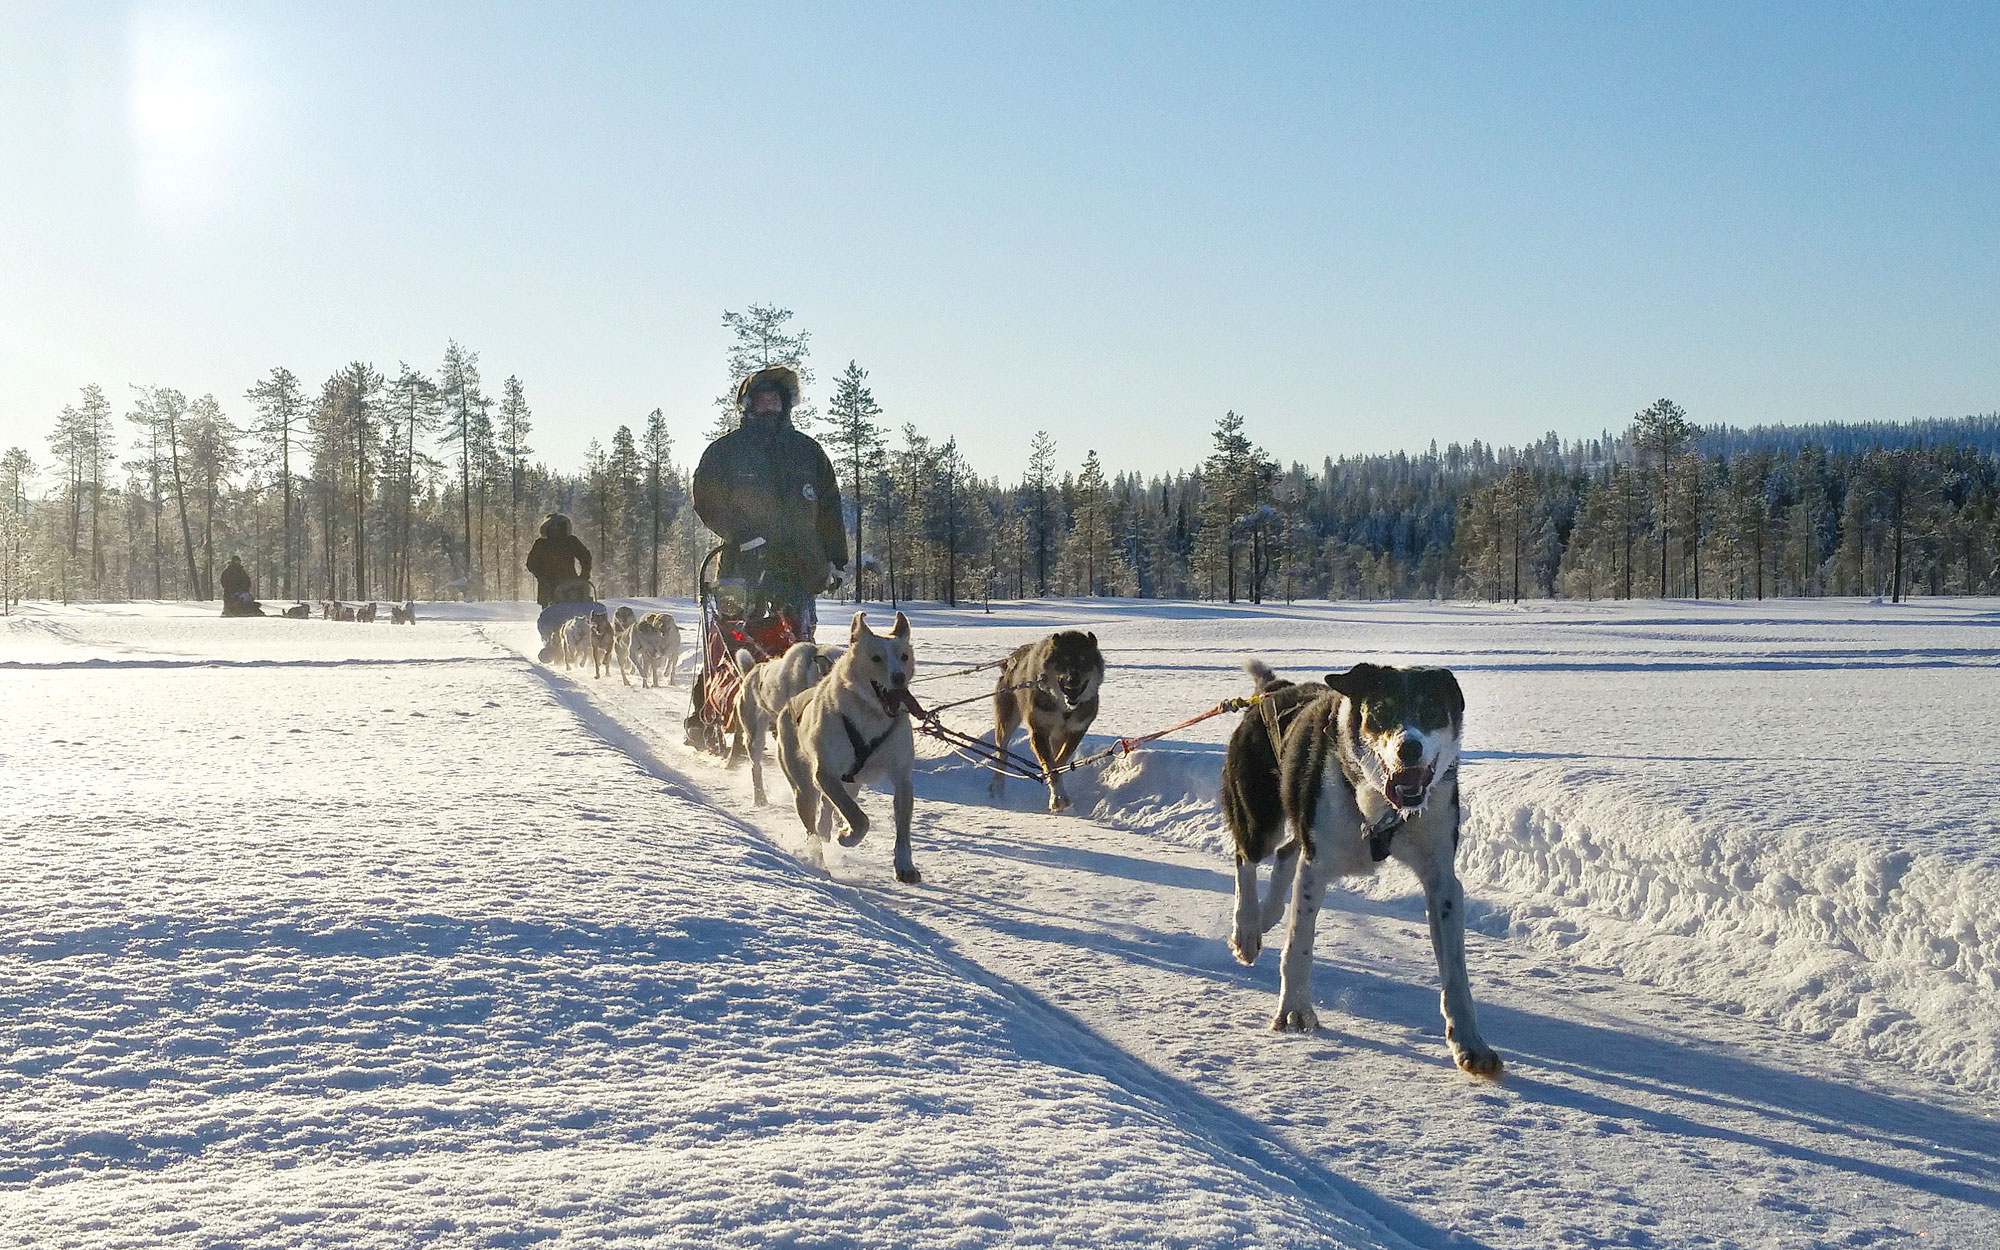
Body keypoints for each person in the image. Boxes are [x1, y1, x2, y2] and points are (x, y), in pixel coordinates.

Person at [691, 365, 847, 632]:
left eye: (774, 398)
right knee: (738, 640)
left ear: (785, 402)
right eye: (762, 399)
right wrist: (741, 534)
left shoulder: (808, 452)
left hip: (800, 567)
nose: (769, 404)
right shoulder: (726, 451)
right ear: (749, 403)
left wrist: (836, 559)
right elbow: (707, 499)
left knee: (797, 645)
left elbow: (830, 508)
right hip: (743, 565)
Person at [525, 512, 593, 607]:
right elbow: (531, 564)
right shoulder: (541, 543)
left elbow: (585, 557)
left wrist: (584, 575)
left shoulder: (571, 541)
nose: (555, 528)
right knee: (552, 612)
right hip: (549, 586)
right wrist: (542, 577)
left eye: (559, 525)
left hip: (569, 584)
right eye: (552, 525)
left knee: (573, 610)